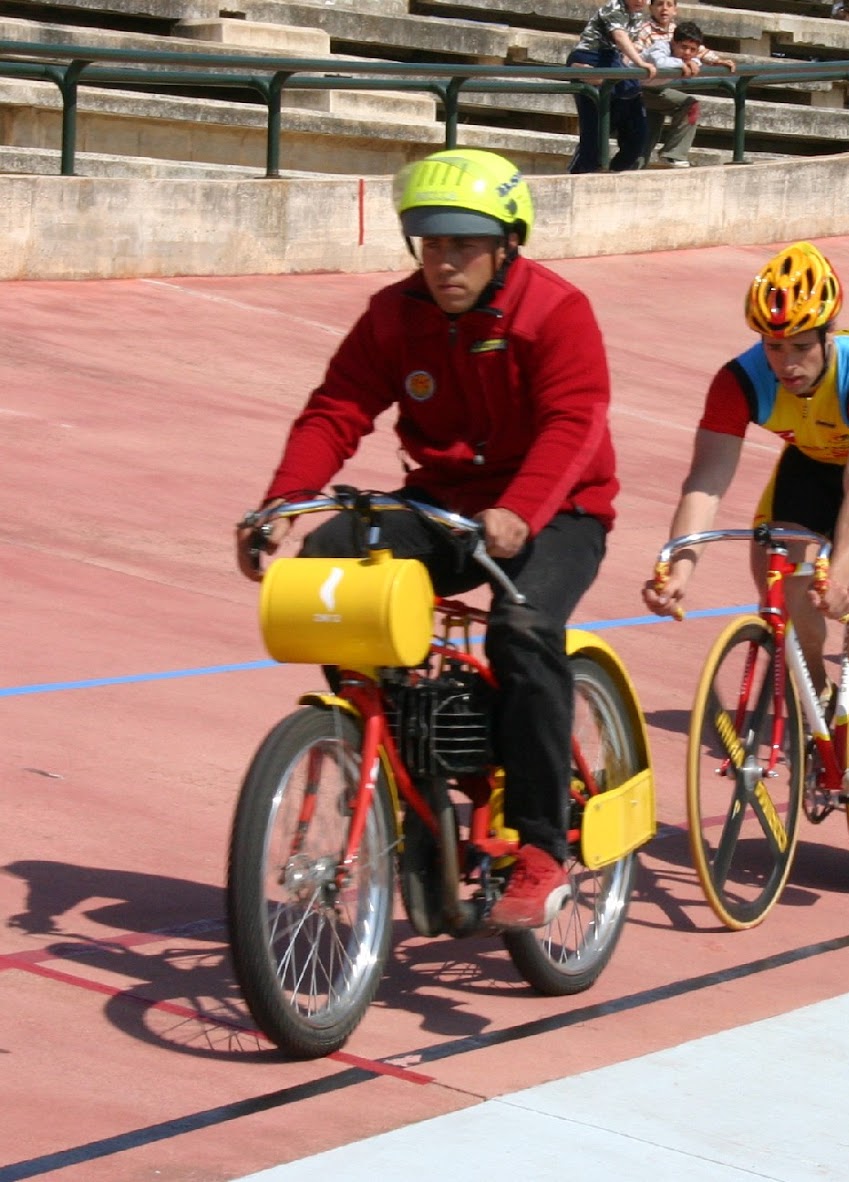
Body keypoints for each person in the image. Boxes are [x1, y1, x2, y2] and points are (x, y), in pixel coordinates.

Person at [234, 148, 619, 929]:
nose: (444, 261)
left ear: (507, 245)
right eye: (431, 242)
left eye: (464, 244)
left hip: (558, 509)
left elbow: (574, 422)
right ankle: (407, 774)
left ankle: (541, 848)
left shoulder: (555, 311)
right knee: (330, 566)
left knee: (523, 630)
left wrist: (522, 509)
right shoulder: (394, 314)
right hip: (444, 504)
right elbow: (338, 407)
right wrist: (283, 502)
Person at [643, 242, 849, 800]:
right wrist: (679, 565)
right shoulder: (738, 380)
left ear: (830, 335)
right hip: (813, 457)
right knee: (776, 578)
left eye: (802, 346)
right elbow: (706, 482)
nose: (786, 364)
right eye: (774, 346)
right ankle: (821, 695)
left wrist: (839, 574)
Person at [566, 0, 656, 174]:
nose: (640, 1)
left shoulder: (637, 16)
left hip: (613, 60)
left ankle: (615, 169)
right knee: (593, 124)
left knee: (636, 119)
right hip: (590, 55)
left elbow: (629, 46)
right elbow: (620, 37)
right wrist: (640, 63)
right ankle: (583, 169)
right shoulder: (614, 8)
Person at [637, 5, 733, 169]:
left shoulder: (679, 35)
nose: (687, 52)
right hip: (633, 89)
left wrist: (714, 60)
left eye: (691, 50)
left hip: (654, 89)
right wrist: (684, 63)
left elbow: (699, 53)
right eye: (683, 48)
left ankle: (640, 166)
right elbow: (660, 62)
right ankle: (673, 155)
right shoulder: (656, 42)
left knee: (648, 134)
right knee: (687, 106)